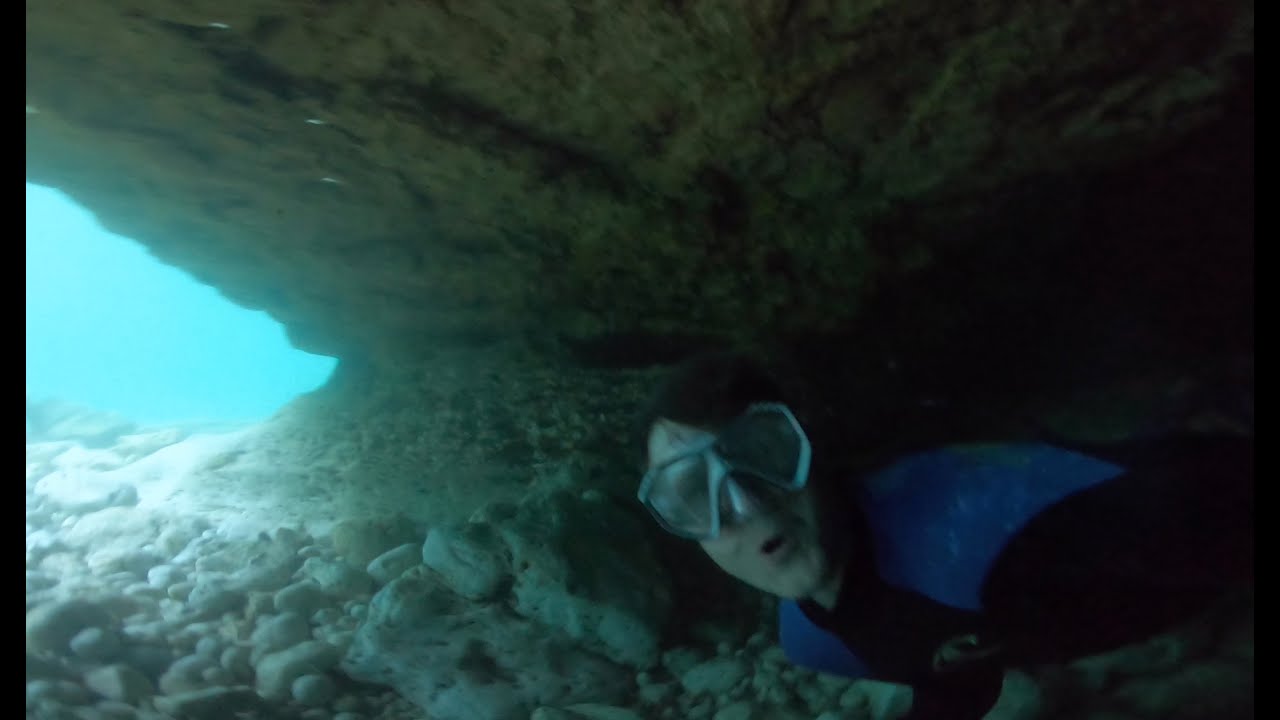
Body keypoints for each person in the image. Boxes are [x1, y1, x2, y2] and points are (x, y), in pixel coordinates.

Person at [634, 351, 1253, 719]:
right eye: (693, 496)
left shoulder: (970, 521)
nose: (747, 506)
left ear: (810, 447)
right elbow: (950, 668)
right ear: (683, 532)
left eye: (764, 453)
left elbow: (1194, 510)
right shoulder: (814, 639)